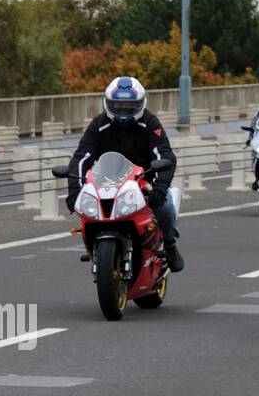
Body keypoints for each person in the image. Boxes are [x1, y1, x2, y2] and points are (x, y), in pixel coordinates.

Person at [66, 76, 183, 271]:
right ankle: (95, 246)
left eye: (129, 105)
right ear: (108, 103)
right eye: (118, 104)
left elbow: (165, 155)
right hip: (107, 181)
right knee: (88, 211)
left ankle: (170, 244)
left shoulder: (150, 123)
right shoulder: (98, 125)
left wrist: (160, 188)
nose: (123, 110)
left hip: (146, 180)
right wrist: (74, 190)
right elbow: (81, 157)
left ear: (141, 104)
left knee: (166, 208)